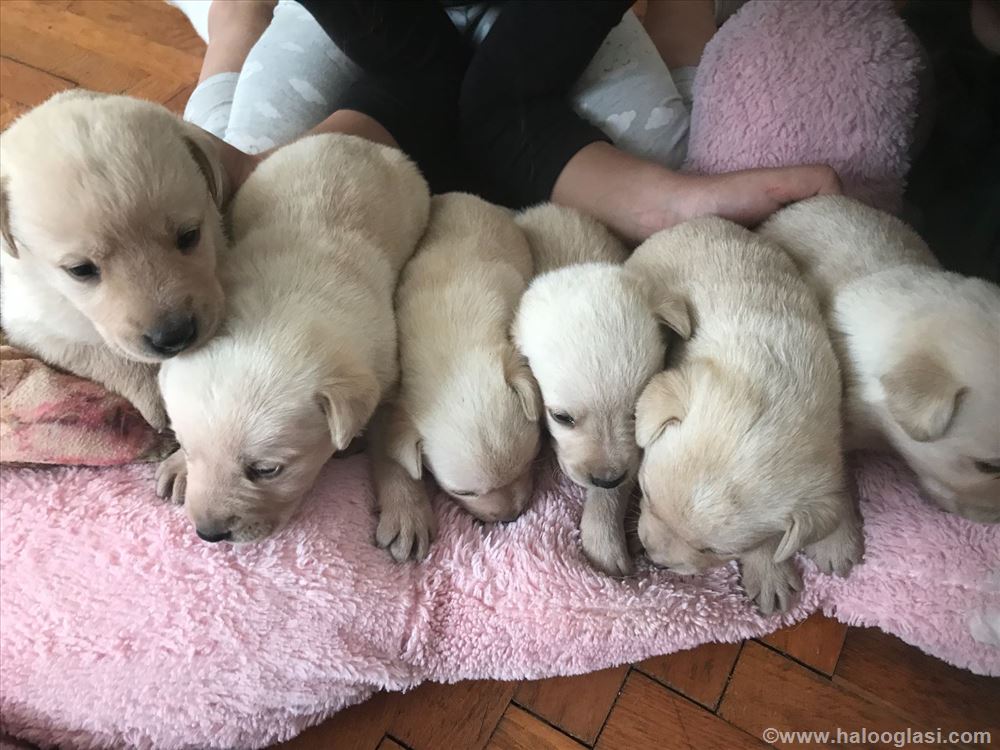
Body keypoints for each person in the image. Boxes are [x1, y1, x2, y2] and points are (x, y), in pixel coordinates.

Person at [182, 0, 841, 243]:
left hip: (534, 16)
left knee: (664, 150)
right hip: (367, 24)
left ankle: (681, 14)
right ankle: (235, 20)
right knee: (247, 181)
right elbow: (408, 63)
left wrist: (507, 103)